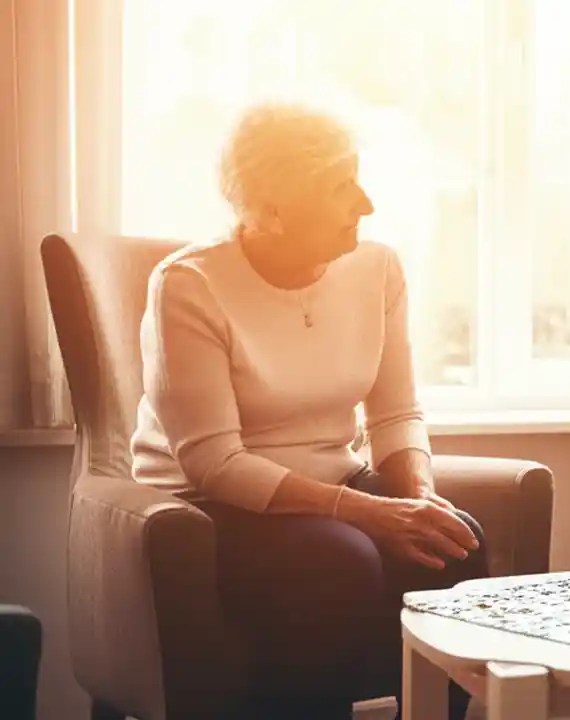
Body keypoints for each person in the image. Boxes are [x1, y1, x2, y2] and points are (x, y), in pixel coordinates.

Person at [131, 104, 486, 720]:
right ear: (272, 210)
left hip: (335, 486)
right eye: (340, 187)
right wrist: (369, 513)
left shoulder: (376, 267)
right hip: (210, 507)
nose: (366, 203)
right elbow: (216, 462)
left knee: (456, 543)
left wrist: (419, 499)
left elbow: (396, 411)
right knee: (338, 562)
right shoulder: (188, 284)